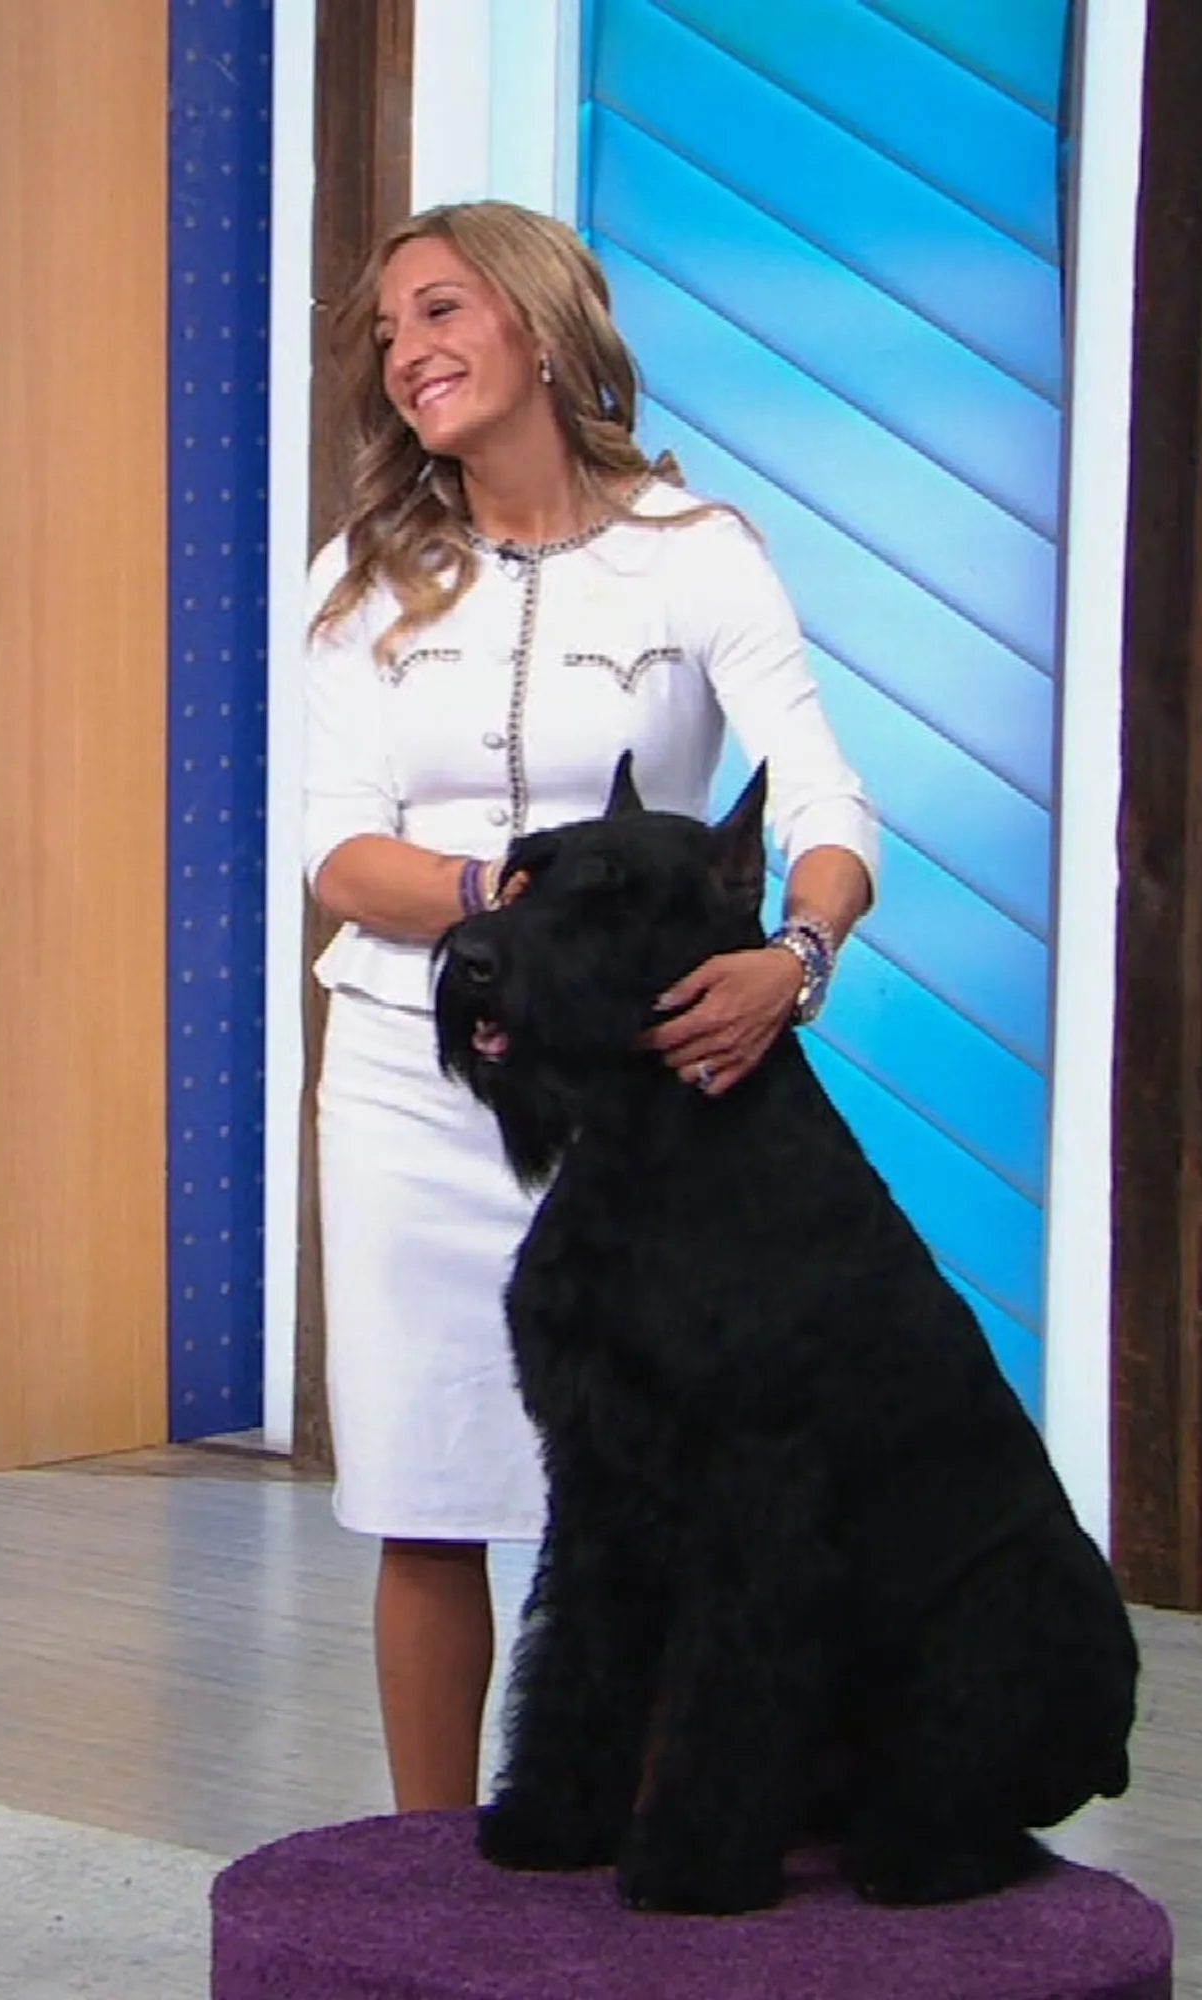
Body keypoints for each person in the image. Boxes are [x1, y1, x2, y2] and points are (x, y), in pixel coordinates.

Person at [299, 200, 882, 1811]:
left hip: (638, 1105)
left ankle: (669, 1830)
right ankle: (428, 1878)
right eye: (387, 334)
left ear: (542, 329)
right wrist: (510, 907)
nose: (405, 352)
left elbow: (828, 808)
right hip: (419, 1086)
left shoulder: (695, 554)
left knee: (666, 1477)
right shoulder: (358, 579)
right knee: (424, 1493)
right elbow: (337, 857)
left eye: (438, 312)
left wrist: (796, 963)